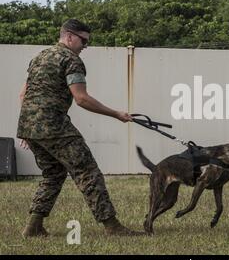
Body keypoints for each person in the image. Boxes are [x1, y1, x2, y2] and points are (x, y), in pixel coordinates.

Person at [17, 19, 139, 237]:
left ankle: (33, 227)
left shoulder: (39, 57)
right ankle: (112, 227)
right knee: (88, 172)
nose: (85, 46)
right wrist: (116, 114)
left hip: (29, 126)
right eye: (83, 41)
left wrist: (30, 128)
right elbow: (81, 99)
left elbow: (23, 95)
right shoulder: (71, 60)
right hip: (53, 125)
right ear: (69, 36)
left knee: (53, 174)